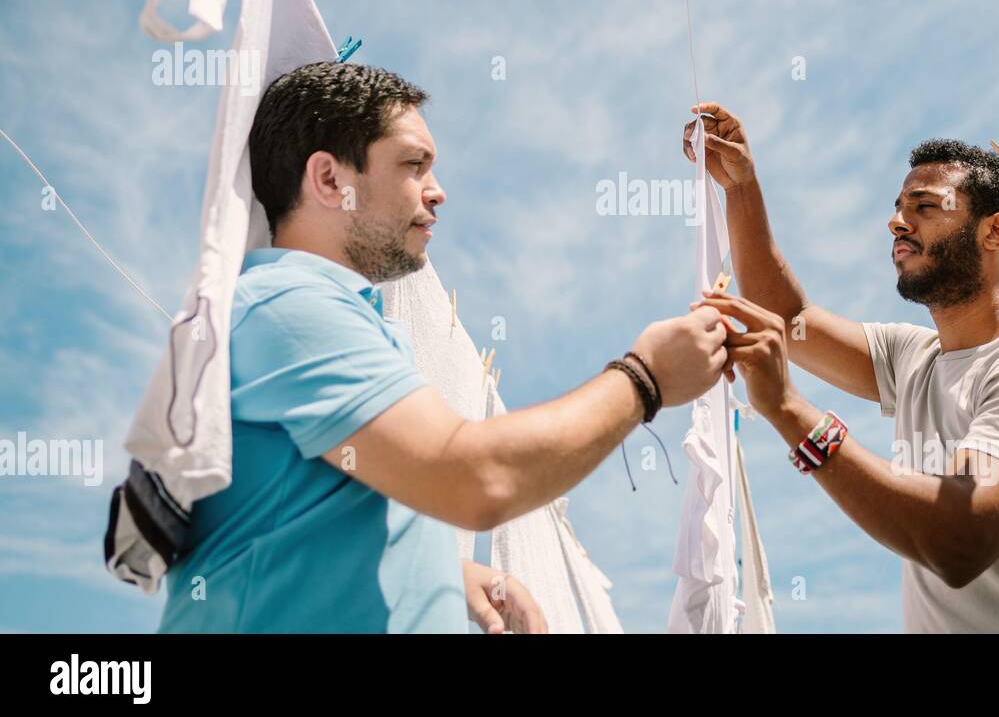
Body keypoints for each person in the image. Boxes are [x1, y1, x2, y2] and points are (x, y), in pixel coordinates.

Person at [158, 62, 728, 634]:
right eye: (413, 165)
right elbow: (474, 479)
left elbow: (307, 526)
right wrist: (645, 378)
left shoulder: (330, 317)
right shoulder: (291, 303)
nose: (438, 191)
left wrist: (436, 570)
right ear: (331, 181)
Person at [682, 101, 999, 633]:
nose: (897, 221)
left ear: (994, 231)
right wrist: (740, 188)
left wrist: (789, 412)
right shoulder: (915, 358)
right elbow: (788, 317)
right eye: (898, 207)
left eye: (924, 206)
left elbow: (958, 539)